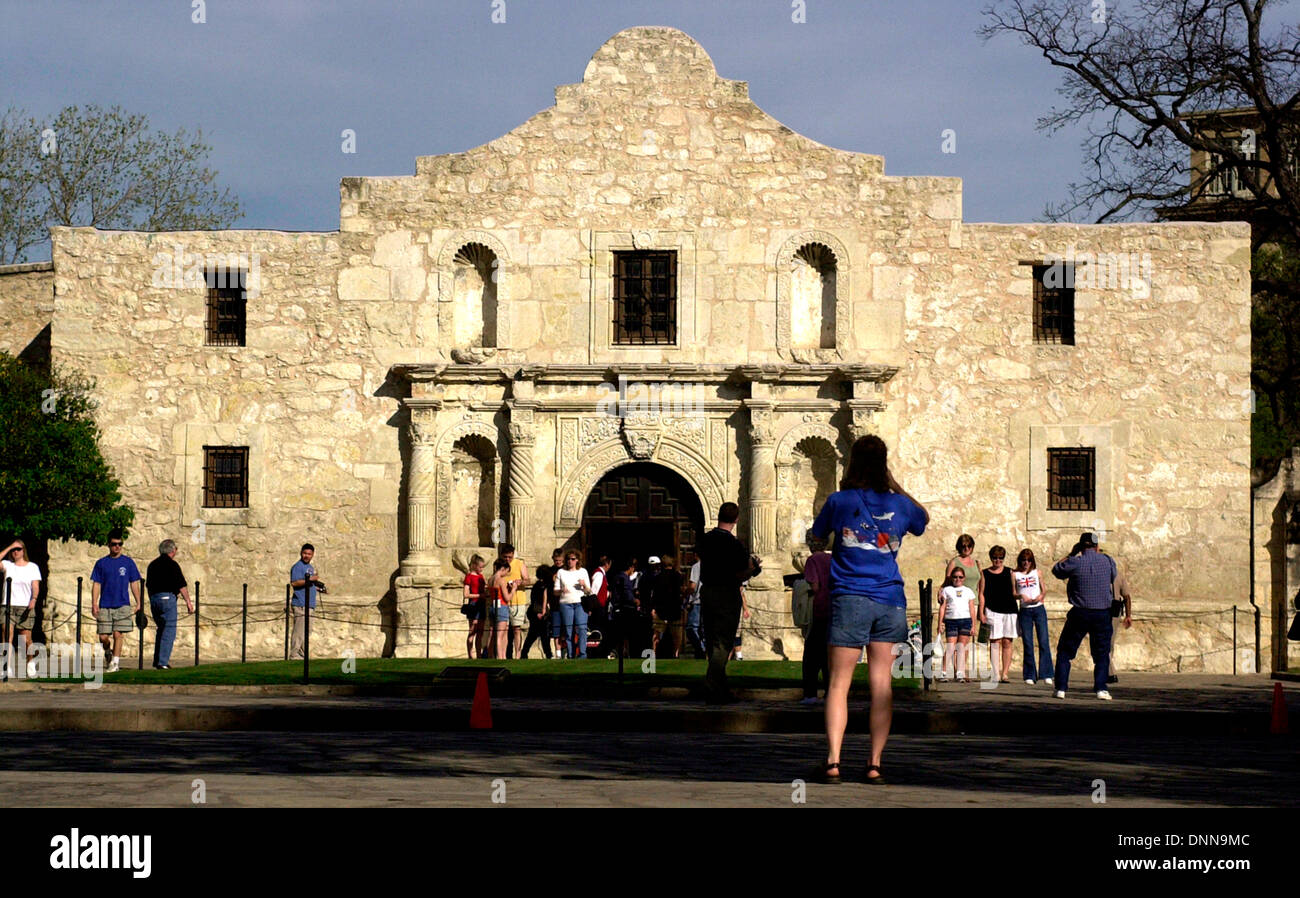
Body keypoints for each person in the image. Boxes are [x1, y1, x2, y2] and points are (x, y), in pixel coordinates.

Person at [809, 435, 928, 785]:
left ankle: (833, 761)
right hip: (890, 600)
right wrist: (894, 486)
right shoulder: (900, 505)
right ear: (884, 465)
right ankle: (874, 763)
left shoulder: (839, 500)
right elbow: (923, 518)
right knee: (881, 686)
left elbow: (818, 535)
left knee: (838, 684)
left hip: (849, 598)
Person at [696, 502, 756, 704]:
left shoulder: (706, 540)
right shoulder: (734, 544)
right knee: (724, 643)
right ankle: (711, 683)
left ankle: (720, 690)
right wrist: (754, 569)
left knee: (713, 640)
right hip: (727, 593)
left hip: (707, 592)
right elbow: (741, 573)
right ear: (737, 519)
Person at [1050, 532, 1118, 700]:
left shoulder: (1074, 562)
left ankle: (1061, 688)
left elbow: (1057, 570)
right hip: (1102, 612)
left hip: (1080, 612)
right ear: (1096, 546)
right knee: (1102, 653)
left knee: (1065, 651)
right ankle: (1101, 688)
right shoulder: (1108, 561)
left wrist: (1071, 554)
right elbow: (1113, 576)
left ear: (1080, 546)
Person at [91, 533, 142, 673]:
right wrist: (94, 603)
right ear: (109, 545)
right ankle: (108, 652)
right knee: (103, 637)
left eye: (119, 544)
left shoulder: (128, 562)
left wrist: (138, 602)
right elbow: (96, 584)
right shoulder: (101, 563)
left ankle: (115, 662)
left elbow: (134, 583)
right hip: (105, 605)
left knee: (118, 634)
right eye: (114, 544)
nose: (117, 547)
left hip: (122, 604)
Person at [145, 539, 193, 670]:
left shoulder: (152, 565)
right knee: (169, 630)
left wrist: (152, 599)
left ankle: (157, 660)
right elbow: (181, 585)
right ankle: (163, 662)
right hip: (168, 598)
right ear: (172, 550)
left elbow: (148, 585)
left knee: (161, 629)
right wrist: (188, 601)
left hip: (154, 598)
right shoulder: (172, 565)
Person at [1, 540, 42, 678]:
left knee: (26, 639)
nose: (15, 551)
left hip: (25, 606)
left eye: (18, 549)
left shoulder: (32, 567)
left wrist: (34, 599)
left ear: (23, 550)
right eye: (14, 549)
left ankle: (30, 663)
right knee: (7, 635)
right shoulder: (8, 565)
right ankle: (7, 666)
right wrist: (9, 547)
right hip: (8, 605)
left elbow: (35, 585)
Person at [977, 545, 1018, 683]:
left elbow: (1015, 590)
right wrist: (981, 612)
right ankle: (995, 673)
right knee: (995, 641)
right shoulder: (985, 573)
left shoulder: (1010, 572)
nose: (998, 560)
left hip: (1010, 610)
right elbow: (981, 594)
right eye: (995, 558)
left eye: (1000, 558)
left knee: (1007, 642)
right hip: (992, 610)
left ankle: (1005, 673)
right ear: (991, 558)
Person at [800, 532, 832, 704]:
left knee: (811, 656)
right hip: (833, 610)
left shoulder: (813, 560)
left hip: (818, 609)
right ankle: (830, 692)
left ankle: (810, 693)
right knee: (828, 655)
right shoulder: (833, 560)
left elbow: (815, 586)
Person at [1013, 548, 1053, 686]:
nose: (1026, 563)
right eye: (1024, 560)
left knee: (1043, 640)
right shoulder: (1015, 574)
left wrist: (1041, 597)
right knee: (1028, 642)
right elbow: (1013, 592)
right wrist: (1021, 596)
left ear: (1032, 561)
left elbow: (1044, 590)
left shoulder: (1038, 572)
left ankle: (1046, 673)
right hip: (1025, 611)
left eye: (1029, 560)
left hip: (1038, 609)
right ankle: (1029, 674)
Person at [937, 566, 975, 682]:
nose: (957, 579)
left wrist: (973, 625)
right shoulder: (947, 590)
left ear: (964, 578)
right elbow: (942, 607)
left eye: (960, 577)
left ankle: (960, 673)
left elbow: (972, 608)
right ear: (951, 578)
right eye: (955, 577)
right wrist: (940, 623)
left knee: (961, 648)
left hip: (965, 620)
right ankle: (943, 672)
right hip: (951, 620)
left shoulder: (968, 591)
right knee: (950, 647)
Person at [551, 552, 591, 659]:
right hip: (566, 604)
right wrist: (561, 590)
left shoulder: (583, 571)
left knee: (582, 628)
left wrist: (584, 585)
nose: (570, 561)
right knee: (569, 631)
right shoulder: (561, 572)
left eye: (573, 559)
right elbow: (555, 591)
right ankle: (571, 655)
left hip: (580, 603)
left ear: (577, 560)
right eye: (568, 559)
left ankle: (582, 654)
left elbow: (589, 591)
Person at [289, 543, 325, 660]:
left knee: (307, 632)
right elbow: (294, 583)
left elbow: (308, 584)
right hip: (301, 604)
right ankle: (294, 655)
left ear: (312, 555)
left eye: (309, 554)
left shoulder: (310, 567)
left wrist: (318, 588)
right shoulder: (297, 567)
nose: (306, 556)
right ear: (301, 553)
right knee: (299, 632)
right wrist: (310, 579)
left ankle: (303, 655)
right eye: (305, 553)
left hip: (310, 604)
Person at [521, 558, 556, 660]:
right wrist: (540, 612)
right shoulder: (540, 586)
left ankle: (525, 653)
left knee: (534, 635)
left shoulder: (540, 585)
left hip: (537, 612)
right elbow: (537, 601)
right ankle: (548, 654)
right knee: (541, 635)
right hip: (538, 613)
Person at [499, 543, 530, 659]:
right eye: (505, 557)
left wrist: (519, 582)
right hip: (503, 601)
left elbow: (528, 580)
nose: (507, 559)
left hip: (518, 600)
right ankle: (504, 654)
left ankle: (518, 654)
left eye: (509, 557)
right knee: (504, 629)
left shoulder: (519, 563)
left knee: (517, 629)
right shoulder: (499, 564)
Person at [651, 555, 684, 659]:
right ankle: (676, 653)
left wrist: (654, 608)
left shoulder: (658, 577)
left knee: (657, 633)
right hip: (674, 608)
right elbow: (681, 591)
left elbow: (655, 594)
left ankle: (654, 653)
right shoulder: (678, 576)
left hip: (661, 609)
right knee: (676, 634)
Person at [1108, 560, 1133, 684]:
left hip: (1105, 610)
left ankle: (1110, 673)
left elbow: (1127, 596)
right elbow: (1127, 597)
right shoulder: (1118, 575)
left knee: (1104, 643)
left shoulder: (1099, 573)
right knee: (1109, 643)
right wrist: (1128, 615)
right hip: (1115, 611)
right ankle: (1109, 671)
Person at [488, 557, 516, 659]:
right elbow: (507, 598)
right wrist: (513, 589)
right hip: (502, 607)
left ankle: (491, 655)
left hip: (493, 607)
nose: (506, 574)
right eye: (506, 572)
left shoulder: (490, 579)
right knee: (501, 635)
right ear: (503, 568)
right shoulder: (501, 580)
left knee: (493, 633)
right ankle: (500, 657)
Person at [945, 534, 983, 609]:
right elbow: (947, 582)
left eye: (969, 546)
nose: (966, 548)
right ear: (959, 547)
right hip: (959, 602)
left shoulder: (976, 563)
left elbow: (979, 586)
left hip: (974, 602)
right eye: (963, 546)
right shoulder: (954, 562)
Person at [463, 555, 487, 659]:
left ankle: (479, 654)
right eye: (480, 567)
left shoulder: (481, 576)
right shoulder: (469, 576)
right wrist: (480, 595)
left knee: (480, 632)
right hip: (474, 605)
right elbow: (466, 594)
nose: (481, 569)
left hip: (482, 605)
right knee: (472, 631)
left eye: (482, 567)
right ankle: (470, 655)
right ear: (474, 565)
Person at [683, 555, 706, 660]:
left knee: (691, 628)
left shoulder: (697, 566)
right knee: (705, 629)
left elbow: (692, 586)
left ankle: (702, 648)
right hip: (711, 601)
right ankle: (703, 651)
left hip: (698, 601)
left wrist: (685, 596)